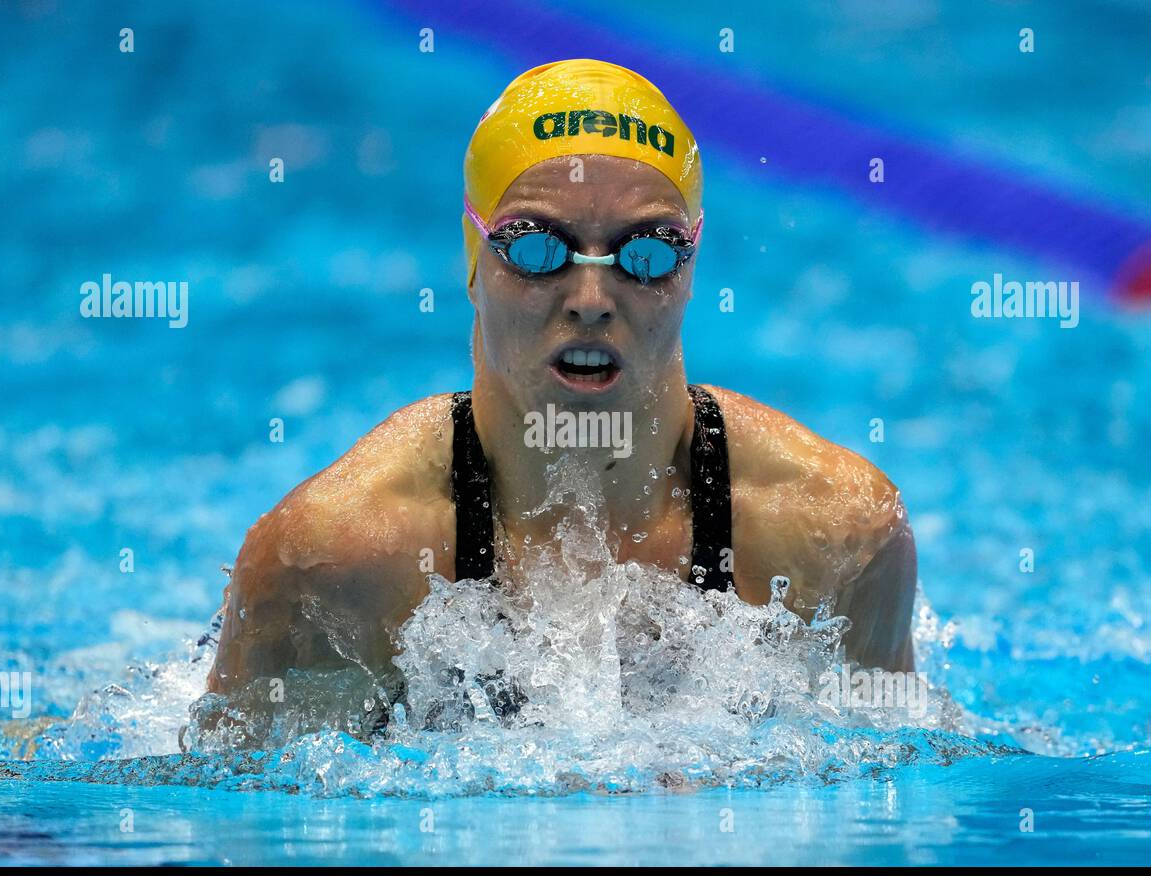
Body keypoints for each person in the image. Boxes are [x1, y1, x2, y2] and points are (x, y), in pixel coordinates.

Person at [205, 59, 916, 700]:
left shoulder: (838, 531)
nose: (591, 298)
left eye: (647, 253)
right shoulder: (338, 557)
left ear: (692, 265)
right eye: (538, 249)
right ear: (473, 261)